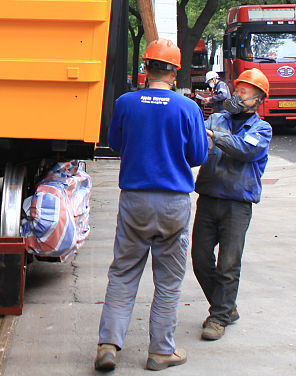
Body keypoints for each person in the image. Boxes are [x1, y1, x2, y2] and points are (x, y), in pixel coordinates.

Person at [96, 39, 210, 372]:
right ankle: (161, 351)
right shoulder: (188, 108)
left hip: (134, 199)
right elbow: (198, 156)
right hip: (173, 202)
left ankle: (108, 345)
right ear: (175, 72)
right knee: (169, 279)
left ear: (145, 68)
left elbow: (115, 144)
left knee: (123, 272)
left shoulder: (125, 103)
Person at [191, 67, 273, 342]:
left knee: (228, 263)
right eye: (236, 90)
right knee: (201, 259)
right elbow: (197, 145)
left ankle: (218, 317)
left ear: (258, 99)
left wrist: (215, 137)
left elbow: (244, 149)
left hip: (237, 205)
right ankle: (226, 308)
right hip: (209, 198)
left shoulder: (261, 129)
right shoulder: (216, 118)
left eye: (244, 93)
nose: (237, 96)